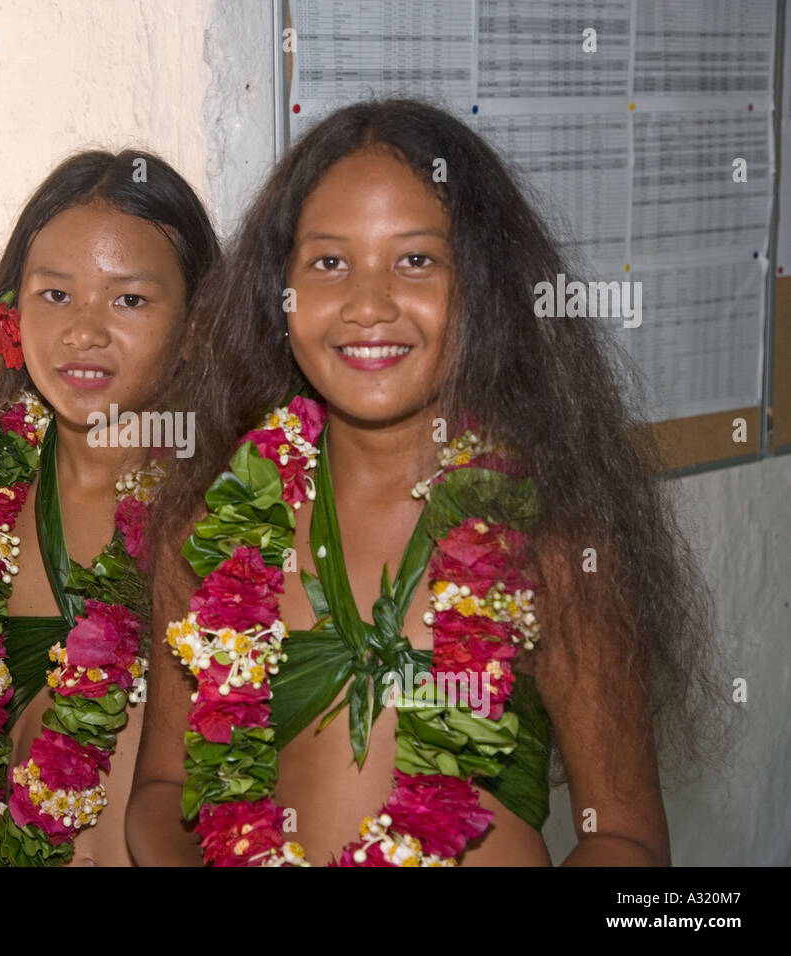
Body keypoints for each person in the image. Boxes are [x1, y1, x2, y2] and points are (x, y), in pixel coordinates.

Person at [128, 98, 732, 866]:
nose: (368, 306)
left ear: (482, 286)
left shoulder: (551, 544)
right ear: (278, 292)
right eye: (329, 262)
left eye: (415, 260)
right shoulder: (213, 527)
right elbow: (163, 789)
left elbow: (622, 835)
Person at [0, 149, 218, 865]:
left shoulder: (219, 517)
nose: (84, 332)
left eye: (129, 300)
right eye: (54, 294)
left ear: (196, 324)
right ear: (12, 311)